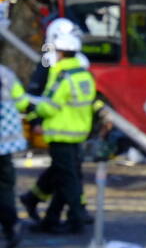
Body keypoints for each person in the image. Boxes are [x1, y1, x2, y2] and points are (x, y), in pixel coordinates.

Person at [29, 28, 103, 234]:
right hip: (78, 132)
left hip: (60, 131)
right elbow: (92, 100)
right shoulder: (84, 74)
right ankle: (50, 219)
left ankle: (75, 217)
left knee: (66, 176)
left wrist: (35, 112)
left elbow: (48, 101)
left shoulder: (61, 73)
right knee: (64, 174)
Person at [0, 63, 30, 248]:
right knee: (5, 187)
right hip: (5, 142)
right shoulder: (6, 74)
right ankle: (11, 226)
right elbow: (22, 102)